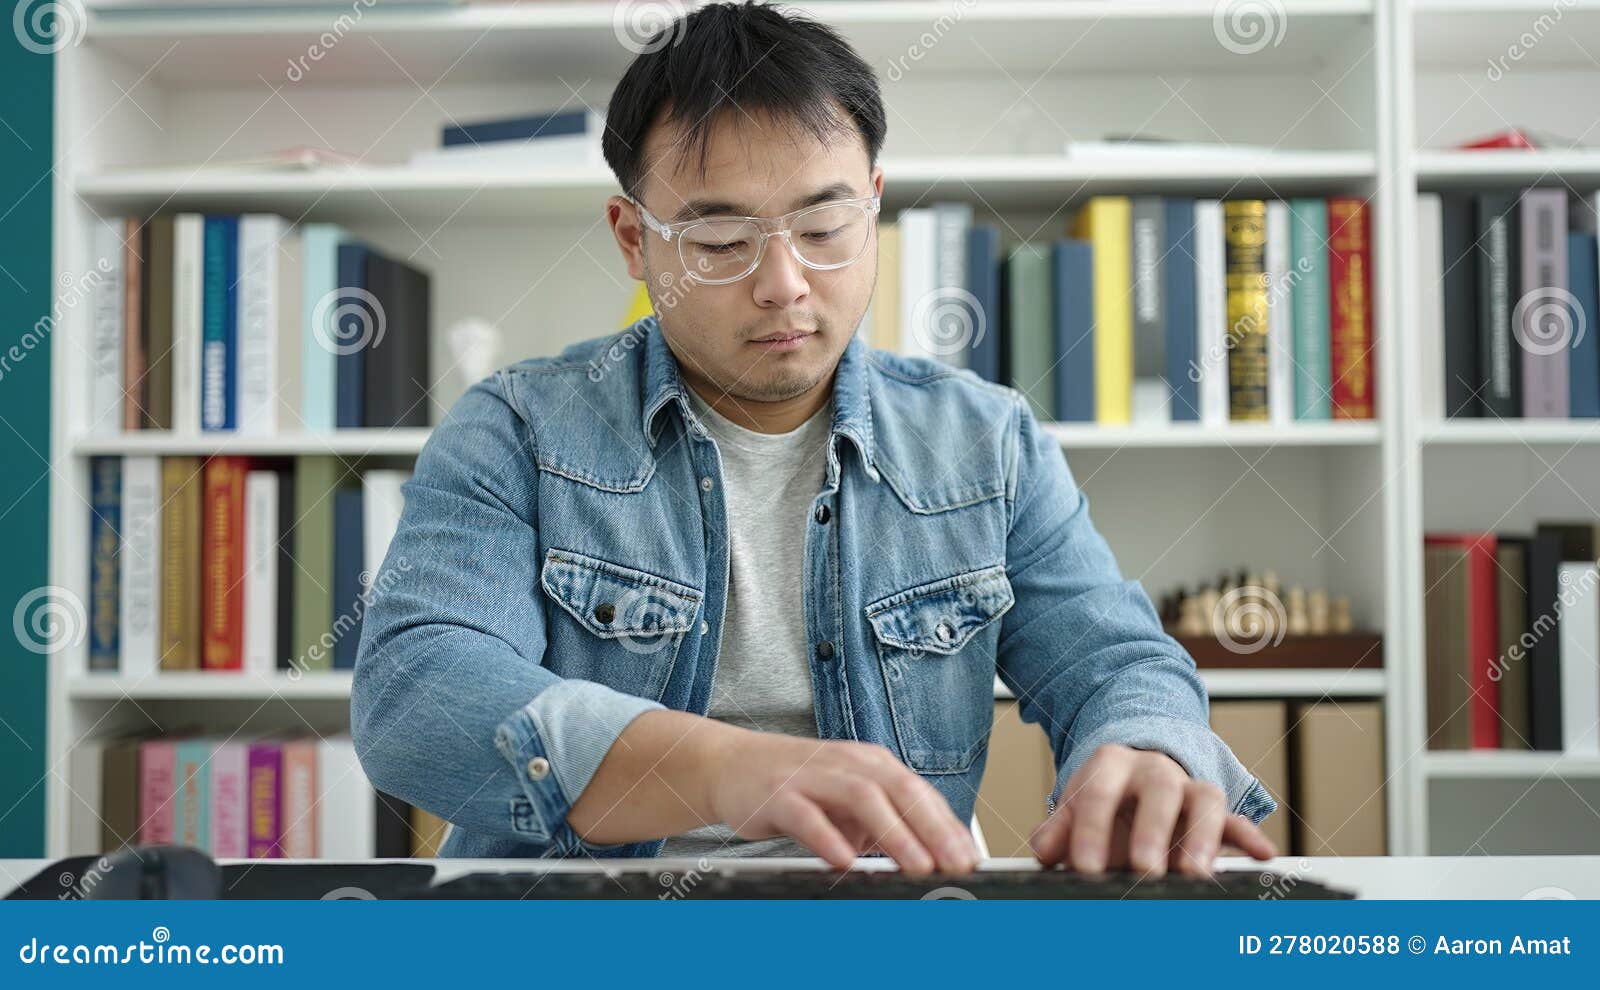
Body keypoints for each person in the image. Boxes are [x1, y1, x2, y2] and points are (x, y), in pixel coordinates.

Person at [352, 0, 1277, 877]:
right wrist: (724, 769)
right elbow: (415, 693)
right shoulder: (517, 431)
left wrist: (1147, 748)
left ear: (873, 204)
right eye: (720, 243)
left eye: (825, 226)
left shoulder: (985, 443)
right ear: (634, 240)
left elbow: (1115, 662)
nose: (784, 284)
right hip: (578, 936)